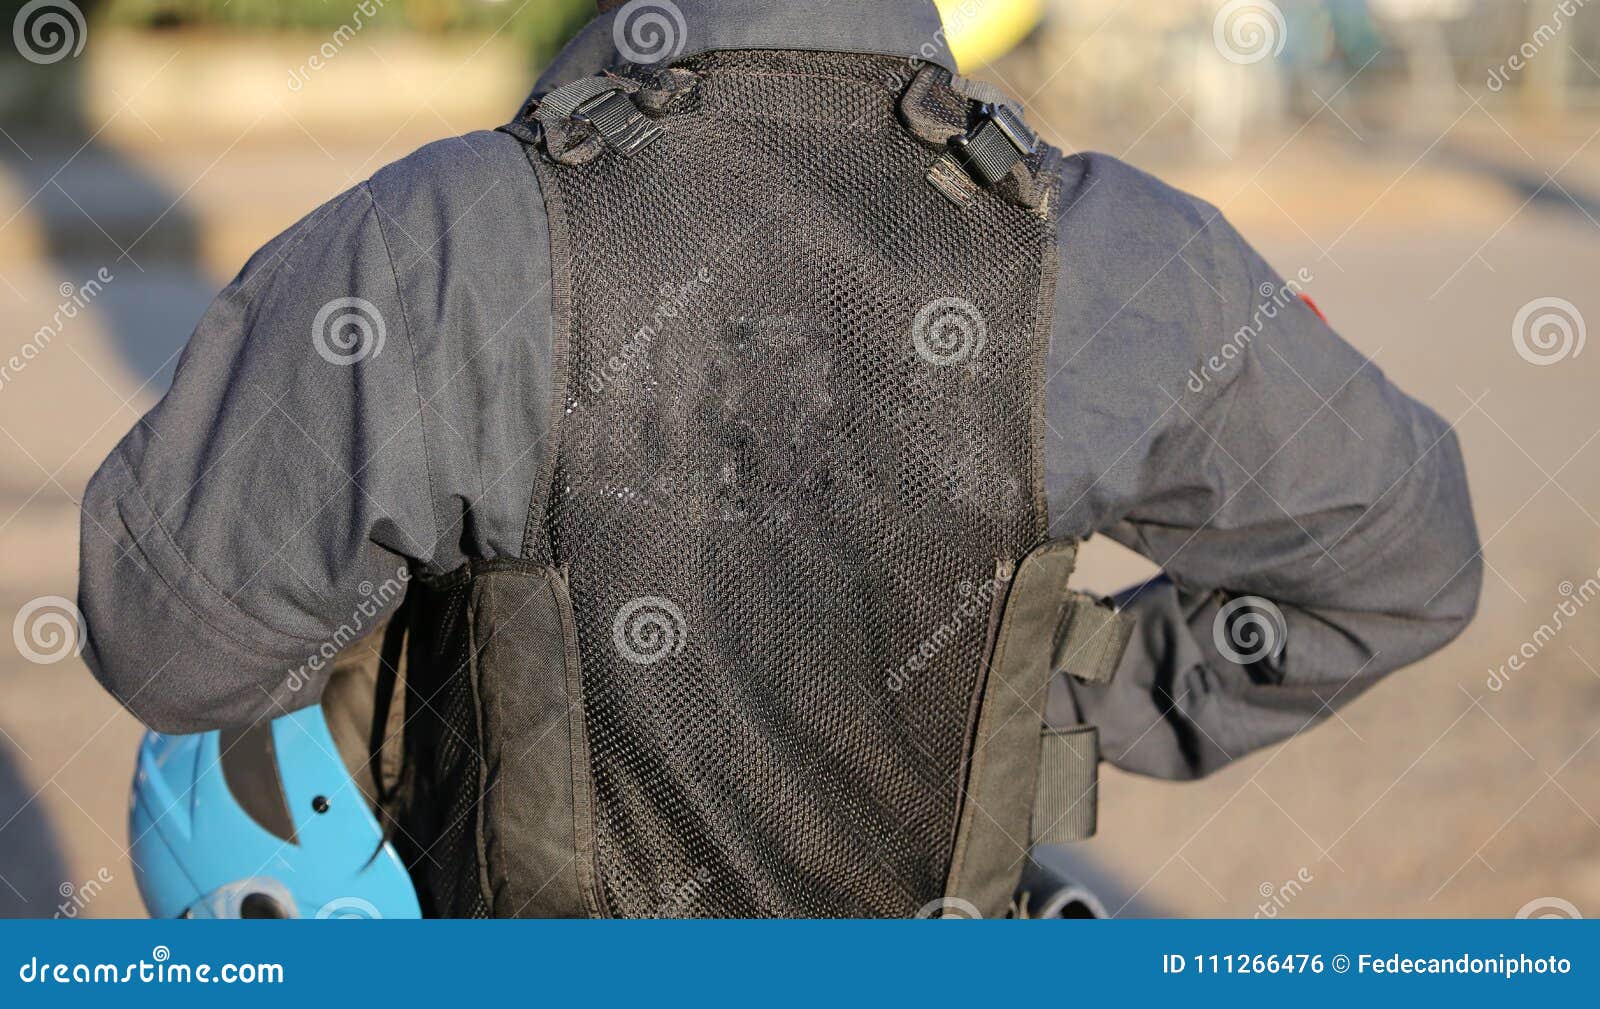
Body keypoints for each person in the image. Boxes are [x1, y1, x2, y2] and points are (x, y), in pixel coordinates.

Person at [80, 0, 1481, 919]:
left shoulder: (443, 238)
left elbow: (172, 651)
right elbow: (1403, 564)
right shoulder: (1121, 259)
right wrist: (1033, 694)